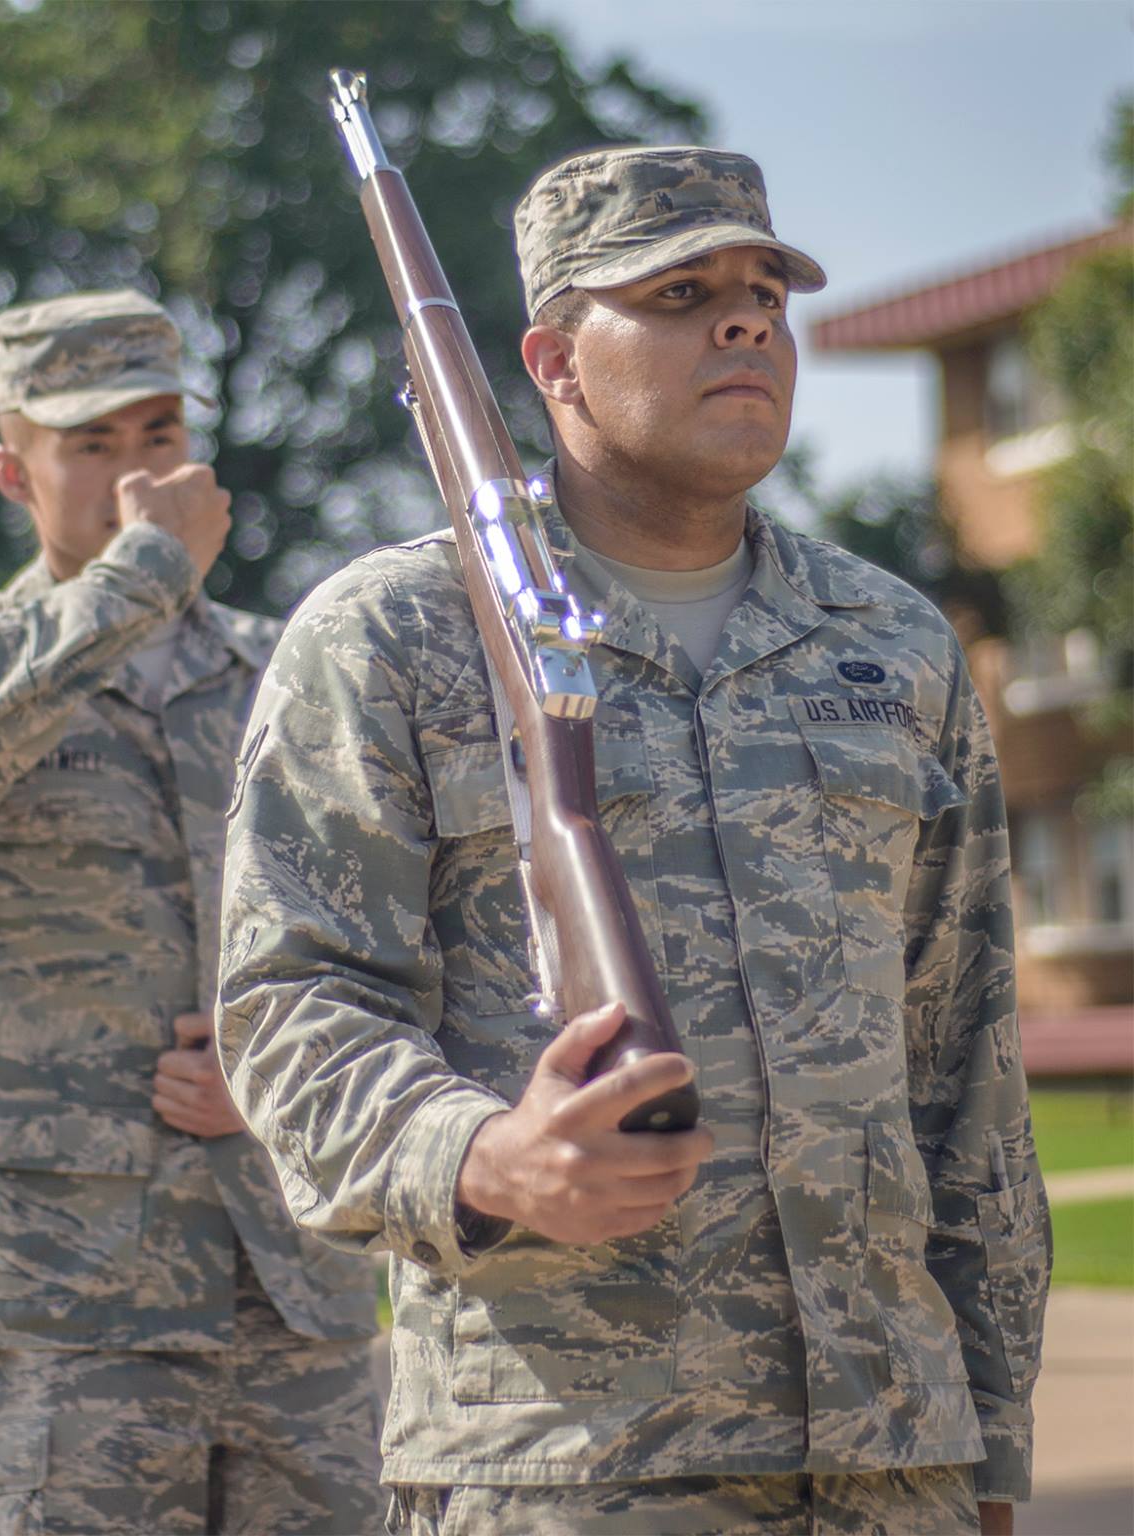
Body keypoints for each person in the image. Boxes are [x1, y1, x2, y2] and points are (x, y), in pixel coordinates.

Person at [216, 146, 1049, 1536]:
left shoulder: (891, 643)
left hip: (892, 1461)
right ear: (554, 361)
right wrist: (482, 1155)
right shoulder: (392, 638)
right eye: (679, 295)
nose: (744, 325)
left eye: (763, 294)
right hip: (567, 1464)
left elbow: (967, 1072)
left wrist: (990, 1448)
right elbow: (291, 1001)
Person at [0, 288, 383, 1536]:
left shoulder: (284, 673)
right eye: (89, 444)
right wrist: (141, 575)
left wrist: (273, 1077)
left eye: (158, 436)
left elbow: (387, 928)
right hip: (78, 1285)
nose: (137, 478)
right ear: (11, 470)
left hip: (294, 1271)